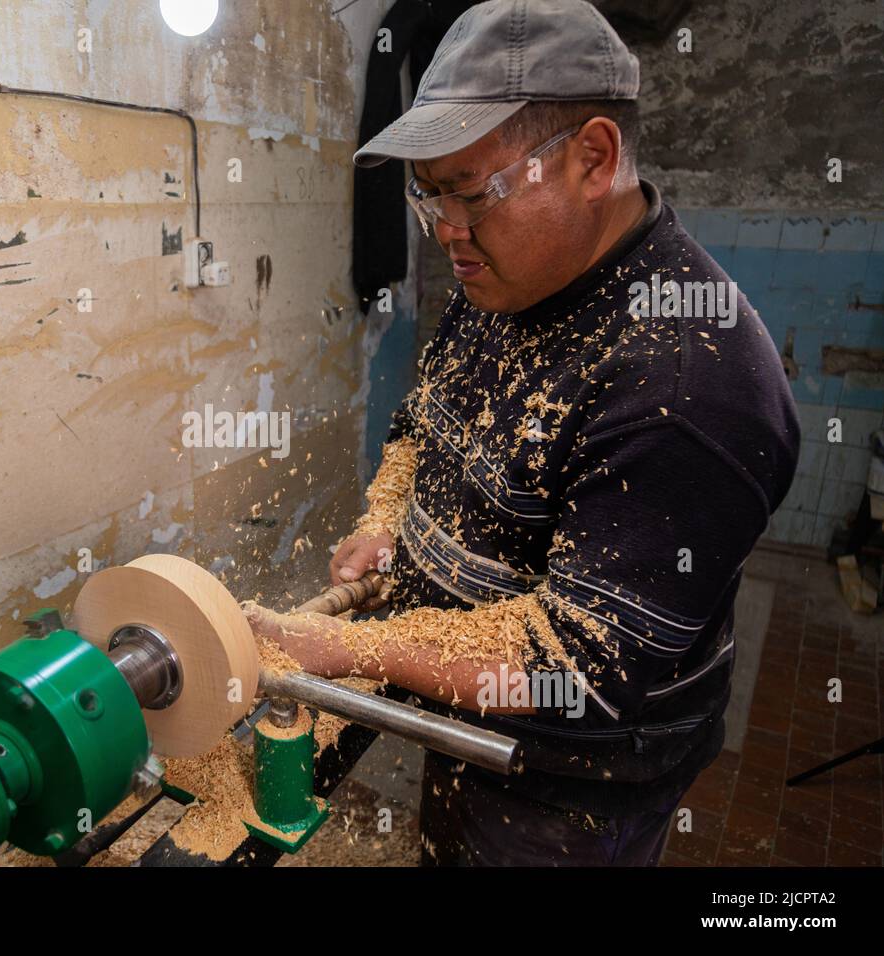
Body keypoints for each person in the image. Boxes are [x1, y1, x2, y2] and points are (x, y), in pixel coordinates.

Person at [242, 0, 799, 866]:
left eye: (472, 192)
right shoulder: (505, 277)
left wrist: (351, 646)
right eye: (428, 198)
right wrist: (384, 518)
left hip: (571, 784)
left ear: (593, 159)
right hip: (461, 710)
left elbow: (572, 665)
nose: (448, 234)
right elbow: (421, 417)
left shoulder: (688, 384)